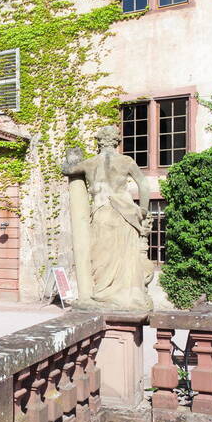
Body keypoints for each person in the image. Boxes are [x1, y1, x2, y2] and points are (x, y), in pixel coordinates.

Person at [62, 125, 154, 311]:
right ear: (117, 142)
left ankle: (104, 293)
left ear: (98, 142)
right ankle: (124, 295)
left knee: (101, 256)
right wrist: (143, 210)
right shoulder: (126, 161)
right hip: (125, 213)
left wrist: (72, 156)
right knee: (124, 256)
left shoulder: (90, 163)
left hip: (101, 211)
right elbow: (144, 185)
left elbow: (68, 170)